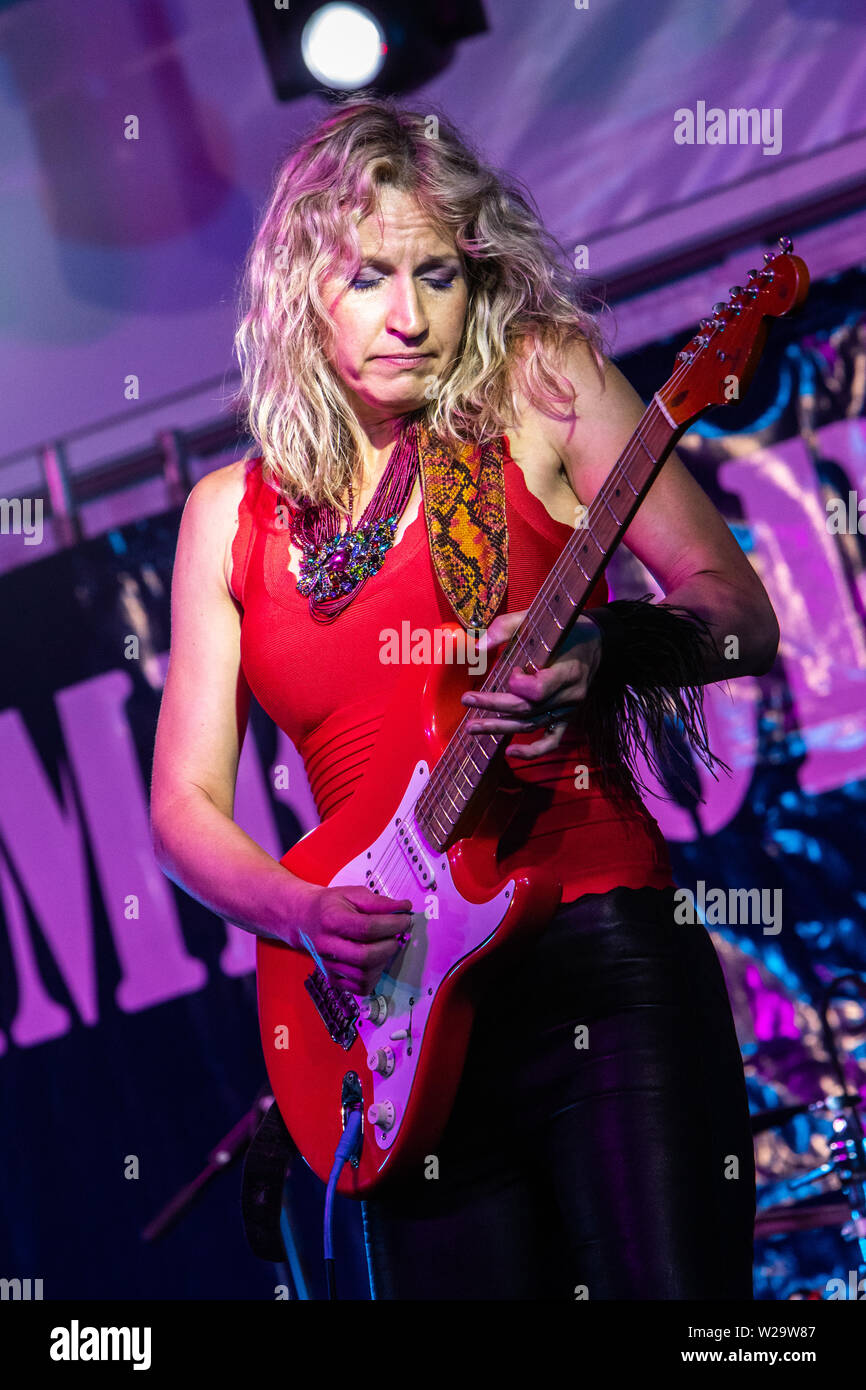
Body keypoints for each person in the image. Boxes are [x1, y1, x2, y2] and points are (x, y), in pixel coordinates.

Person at [150, 96, 778, 1300]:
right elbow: (182, 807)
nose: (408, 314)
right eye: (367, 276)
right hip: (387, 1017)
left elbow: (733, 614)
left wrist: (609, 648)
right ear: (297, 290)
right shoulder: (226, 518)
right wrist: (295, 911)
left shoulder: (542, 385)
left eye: (435, 272)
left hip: (590, 950)